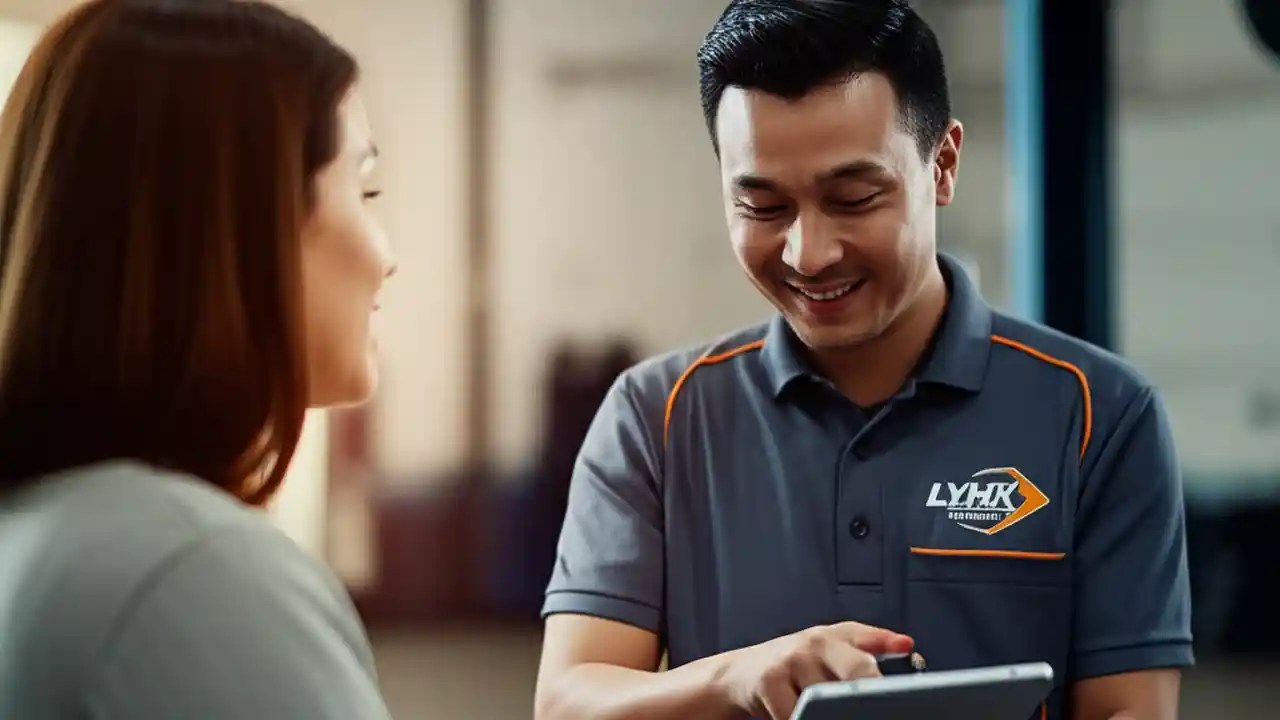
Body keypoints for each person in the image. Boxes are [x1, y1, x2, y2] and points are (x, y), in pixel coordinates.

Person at [534, 2, 1192, 719]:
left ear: (942, 164)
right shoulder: (655, 418)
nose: (807, 254)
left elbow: (1132, 709)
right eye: (762, 207)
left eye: (852, 199)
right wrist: (737, 677)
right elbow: (569, 703)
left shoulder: (1099, 418)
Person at [0, 1, 396, 717]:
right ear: (248, 223)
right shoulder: (191, 573)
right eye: (363, 190)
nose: (386, 257)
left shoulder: (41, 532)